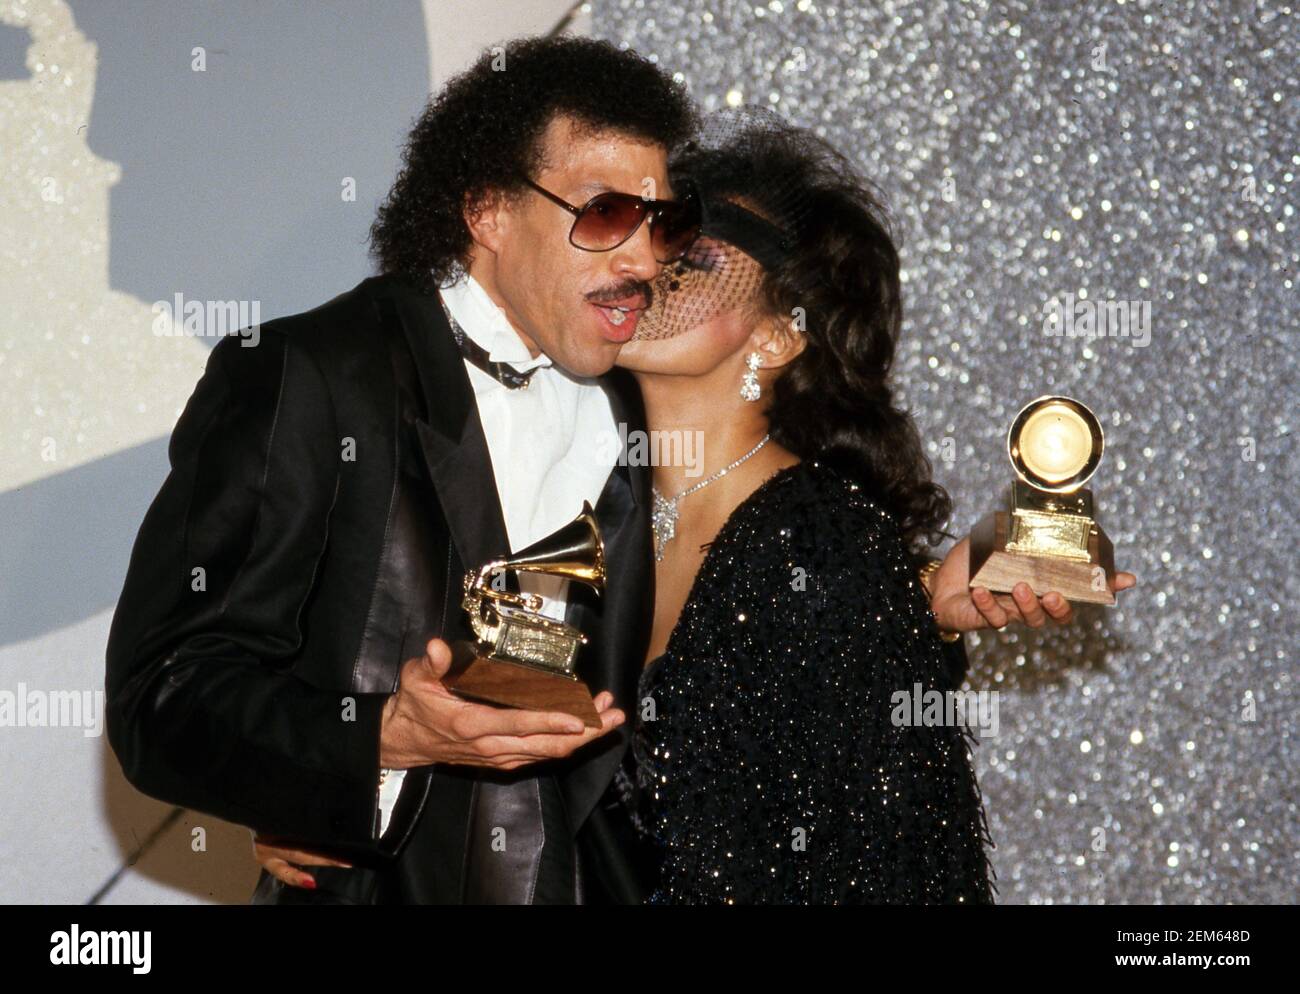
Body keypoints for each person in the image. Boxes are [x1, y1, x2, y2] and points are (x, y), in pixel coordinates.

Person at [105, 35, 700, 905]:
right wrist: (377, 738)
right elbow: (165, 701)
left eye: (665, 223)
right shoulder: (312, 374)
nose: (644, 259)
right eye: (605, 215)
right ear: (489, 210)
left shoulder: (626, 402)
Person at [604, 109, 1137, 903]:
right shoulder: (585, 509)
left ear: (782, 337)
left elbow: (903, 866)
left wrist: (896, 596)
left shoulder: (824, 539)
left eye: (698, 259)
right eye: (654, 242)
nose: (652, 272)